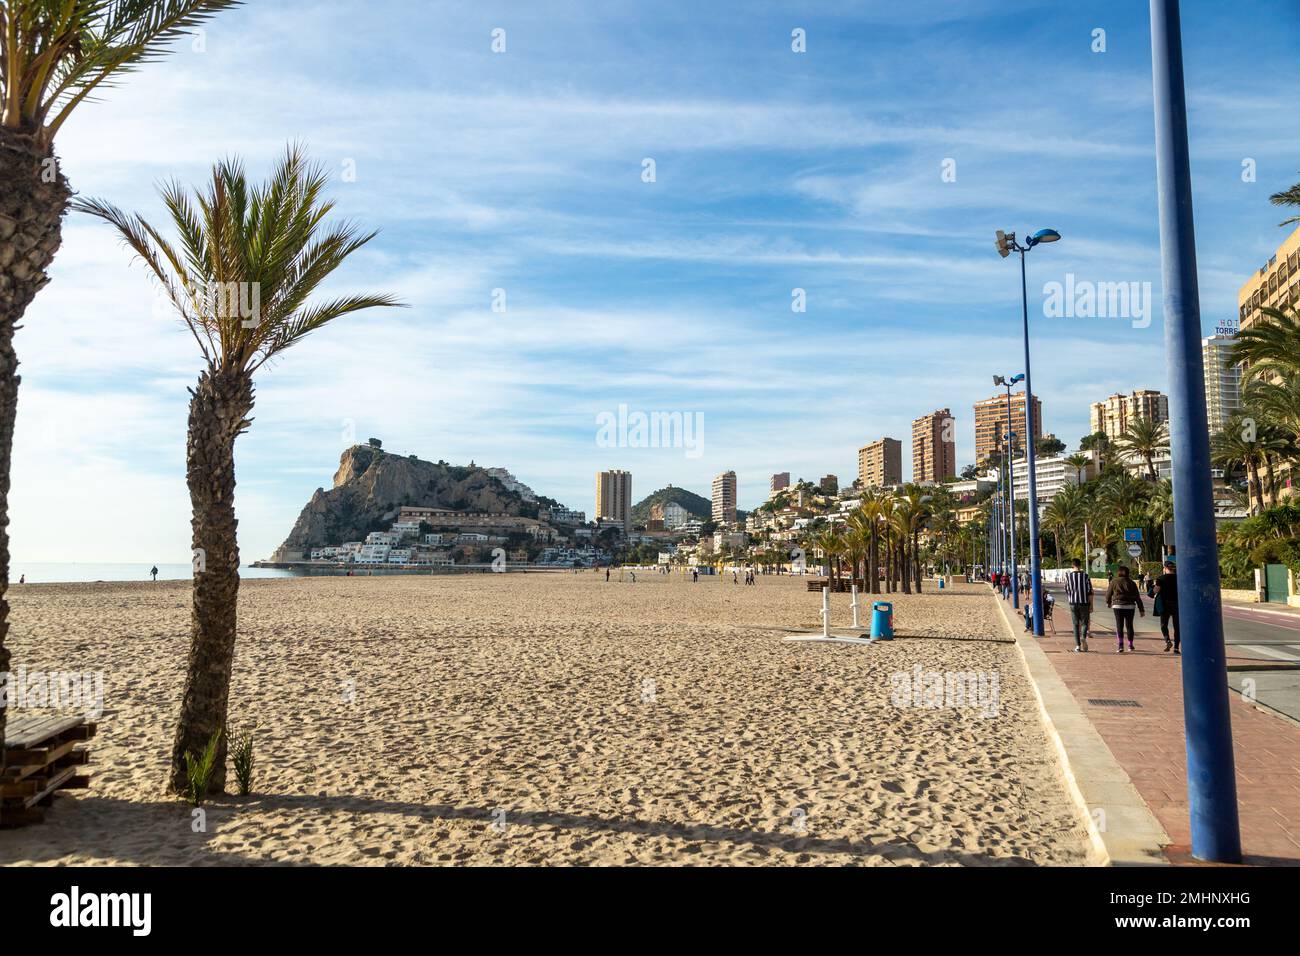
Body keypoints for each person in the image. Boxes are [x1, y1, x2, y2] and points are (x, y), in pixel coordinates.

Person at [1105, 565, 1144, 653]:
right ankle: (1130, 645)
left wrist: (1108, 602)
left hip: (1118, 605)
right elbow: (1137, 597)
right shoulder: (1132, 582)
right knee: (1129, 626)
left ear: (1118, 572)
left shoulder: (1114, 581)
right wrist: (1141, 609)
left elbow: (1108, 594)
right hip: (1130, 606)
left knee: (1119, 625)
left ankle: (1120, 645)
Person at [1064, 558, 1093, 652]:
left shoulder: (1068, 576)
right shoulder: (1086, 576)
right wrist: (1091, 605)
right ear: (1080, 565)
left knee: (1075, 624)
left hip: (1073, 603)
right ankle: (1083, 637)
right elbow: (1090, 591)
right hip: (1084, 603)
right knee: (1084, 623)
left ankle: (1078, 646)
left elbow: (1067, 590)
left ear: (1072, 565)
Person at [1154, 559, 1179, 654]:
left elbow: (1156, 590)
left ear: (1165, 568)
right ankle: (1176, 648)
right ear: (1173, 569)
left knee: (1164, 625)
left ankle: (1167, 640)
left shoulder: (1161, 579)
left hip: (1165, 605)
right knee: (1177, 627)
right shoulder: (1179, 578)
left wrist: (1152, 589)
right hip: (1177, 604)